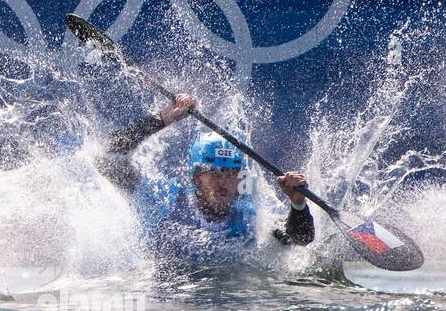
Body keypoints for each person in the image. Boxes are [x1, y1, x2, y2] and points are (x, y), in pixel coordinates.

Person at [99, 92, 314, 269]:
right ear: (196, 177)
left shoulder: (251, 216)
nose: (224, 182)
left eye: (231, 174)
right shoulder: (163, 199)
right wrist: (163, 118)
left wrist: (298, 205)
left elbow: (300, 240)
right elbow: (106, 157)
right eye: (214, 173)